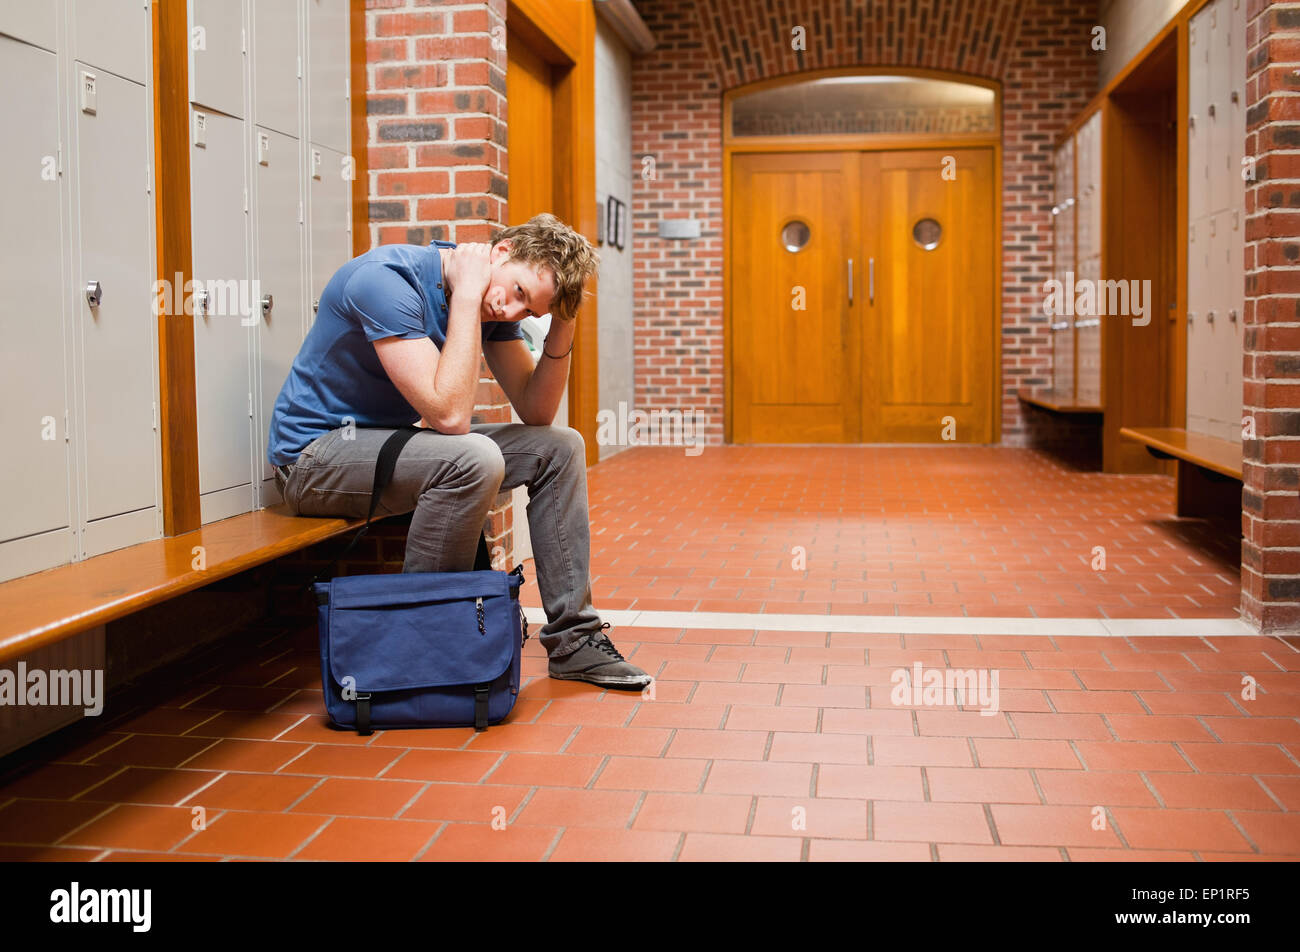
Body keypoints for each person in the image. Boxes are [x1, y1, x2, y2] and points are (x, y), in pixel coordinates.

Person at [266, 213, 651, 689]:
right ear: (502, 252)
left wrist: (562, 326)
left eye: (530, 311)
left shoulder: (491, 304)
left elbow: (536, 412)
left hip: (391, 450)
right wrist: (468, 299)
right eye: (518, 293)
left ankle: (575, 642)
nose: (511, 312)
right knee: (472, 456)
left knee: (562, 446)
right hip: (314, 460)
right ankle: (422, 644)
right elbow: (449, 418)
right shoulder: (386, 282)